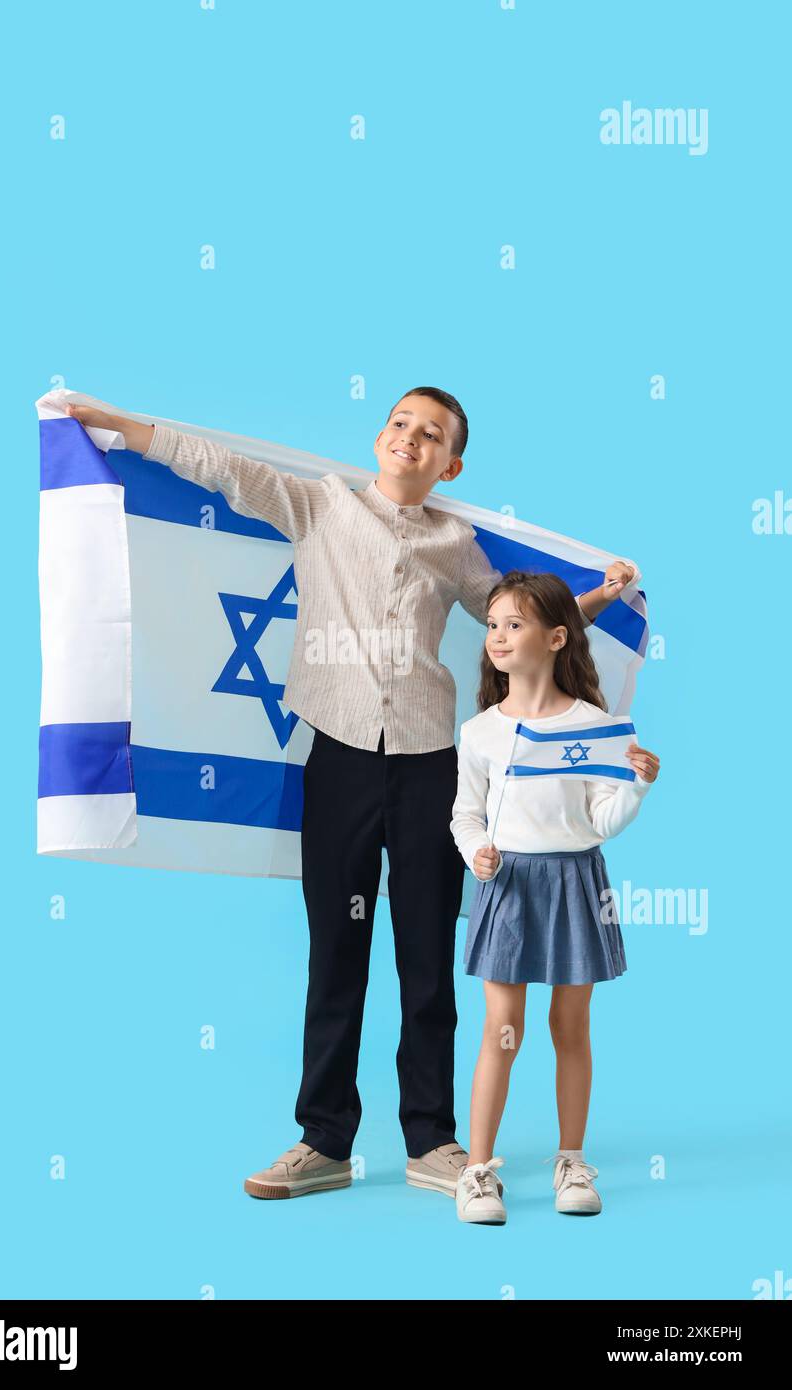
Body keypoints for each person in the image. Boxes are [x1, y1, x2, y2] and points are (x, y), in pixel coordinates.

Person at [65, 390, 637, 1202]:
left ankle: (434, 1139)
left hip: (432, 766)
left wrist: (598, 601)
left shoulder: (456, 542)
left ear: (452, 464)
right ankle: (324, 1137)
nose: (411, 437)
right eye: (401, 424)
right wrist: (123, 429)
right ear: (380, 438)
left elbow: (517, 619)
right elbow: (223, 469)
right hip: (336, 757)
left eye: (431, 434)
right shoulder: (320, 506)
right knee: (336, 949)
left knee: (425, 955)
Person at [449, 571, 659, 1224]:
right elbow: (464, 814)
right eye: (492, 626)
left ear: (556, 637)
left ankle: (572, 1161)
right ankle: (478, 1174)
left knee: (570, 1027)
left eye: (515, 624)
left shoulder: (596, 726)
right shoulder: (480, 731)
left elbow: (601, 822)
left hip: (575, 883)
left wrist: (636, 785)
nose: (499, 637)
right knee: (501, 1032)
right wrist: (476, 851)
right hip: (506, 885)